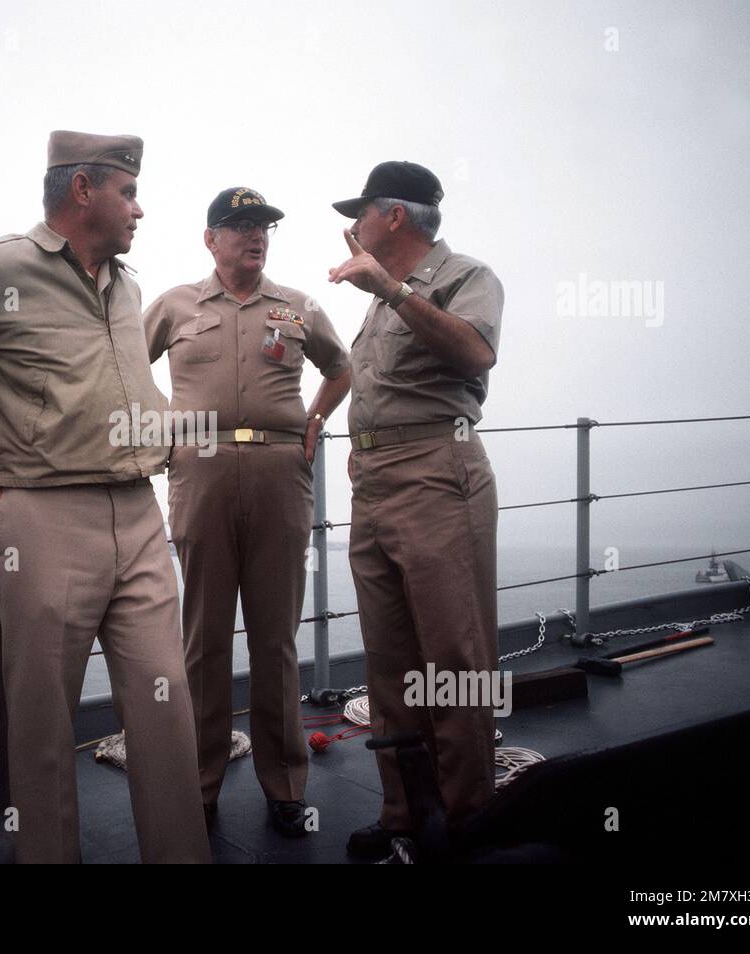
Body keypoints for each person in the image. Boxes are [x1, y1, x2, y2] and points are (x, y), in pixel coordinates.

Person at [0, 130, 210, 864]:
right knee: (42, 726)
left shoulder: (127, 285)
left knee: (166, 710)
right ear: (82, 190)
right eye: (128, 192)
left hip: (140, 514)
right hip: (45, 518)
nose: (139, 209)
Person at [142, 187, 349, 836]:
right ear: (211, 238)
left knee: (275, 640)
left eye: (262, 227)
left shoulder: (297, 306)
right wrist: (161, 429)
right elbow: (119, 364)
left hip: (280, 477)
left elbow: (341, 369)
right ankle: (199, 785)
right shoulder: (176, 305)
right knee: (202, 641)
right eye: (239, 226)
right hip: (199, 473)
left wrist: (314, 420)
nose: (254, 236)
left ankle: (285, 785)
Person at [326, 161, 503, 862]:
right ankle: (403, 814)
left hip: (437, 475)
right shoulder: (380, 298)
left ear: (393, 216)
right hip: (372, 480)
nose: (353, 226)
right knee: (391, 663)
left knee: (454, 658)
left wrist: (392, 290)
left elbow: (476, 351)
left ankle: (469, 822)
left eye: (362, 211)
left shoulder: (466, 277)